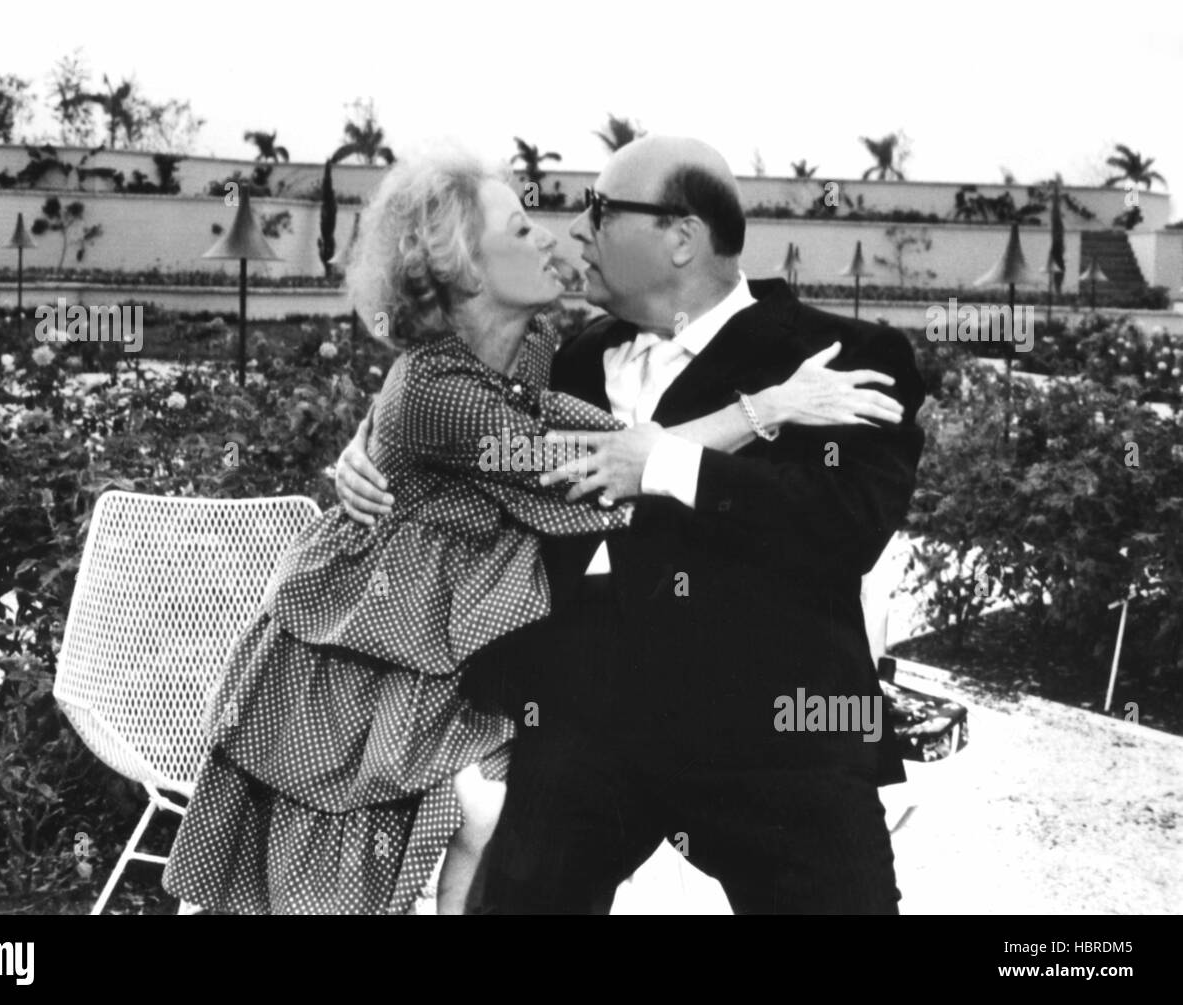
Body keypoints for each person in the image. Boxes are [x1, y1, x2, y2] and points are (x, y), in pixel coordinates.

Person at [336, 136, 926, 914]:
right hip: (585, 728)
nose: (576, 230)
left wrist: (666, 464)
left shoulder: (836, 357)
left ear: (681, 236)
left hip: (772, 734)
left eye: (602, 210)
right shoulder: (565, 357)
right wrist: (367, 446)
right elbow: (451, 390)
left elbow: (844, 526)